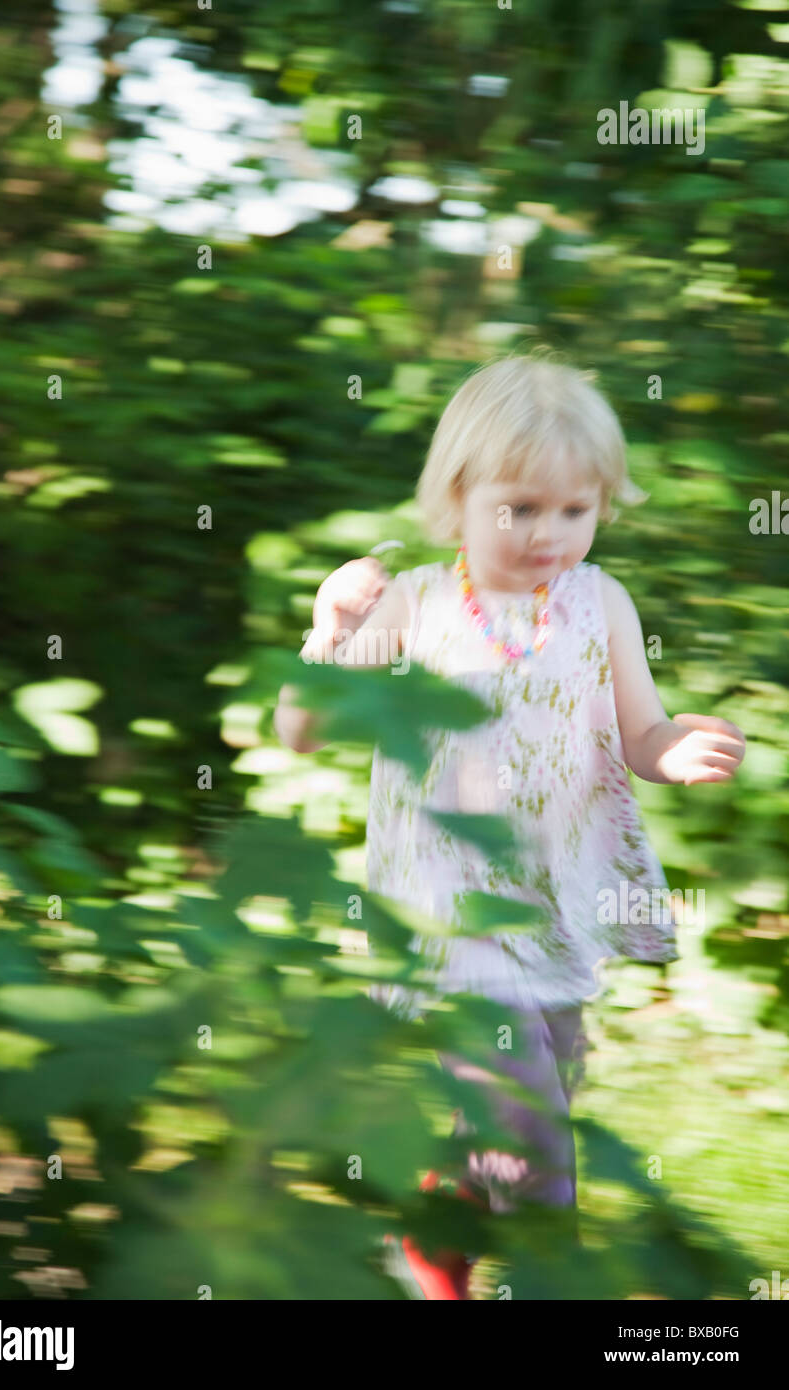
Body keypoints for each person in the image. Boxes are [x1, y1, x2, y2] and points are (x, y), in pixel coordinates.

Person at [273, 353, 746, 1299]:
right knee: (534, 1137)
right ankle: (553, 1283)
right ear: (459, 494)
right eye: (520, 508)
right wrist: (330, 630)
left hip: (556, 899)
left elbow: (640, 730)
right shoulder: (419, 601)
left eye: (575, 510)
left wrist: (675, 747)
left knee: (537, 1094)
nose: (548, 534)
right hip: (452, 914)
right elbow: (302, 726)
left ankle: (430, 1247)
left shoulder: (600, 603)